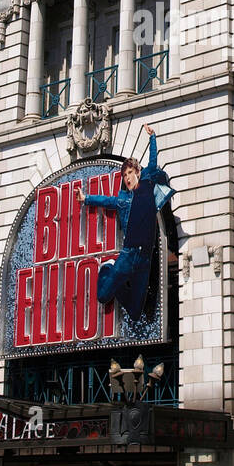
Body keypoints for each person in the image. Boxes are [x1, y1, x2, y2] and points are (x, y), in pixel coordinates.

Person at [79, 126, 174, 324]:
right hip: (129, 255)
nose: (128, 178)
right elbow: (106, 201)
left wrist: (153, 138)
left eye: (130, 172)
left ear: (138, 172)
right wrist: (86, 198)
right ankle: (108, 268)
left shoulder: (148, 182)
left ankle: (118, 278)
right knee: (103, 295)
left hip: (145, 258)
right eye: (124, 175)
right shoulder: (124, 201)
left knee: (135, 310)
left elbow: (153, 161)